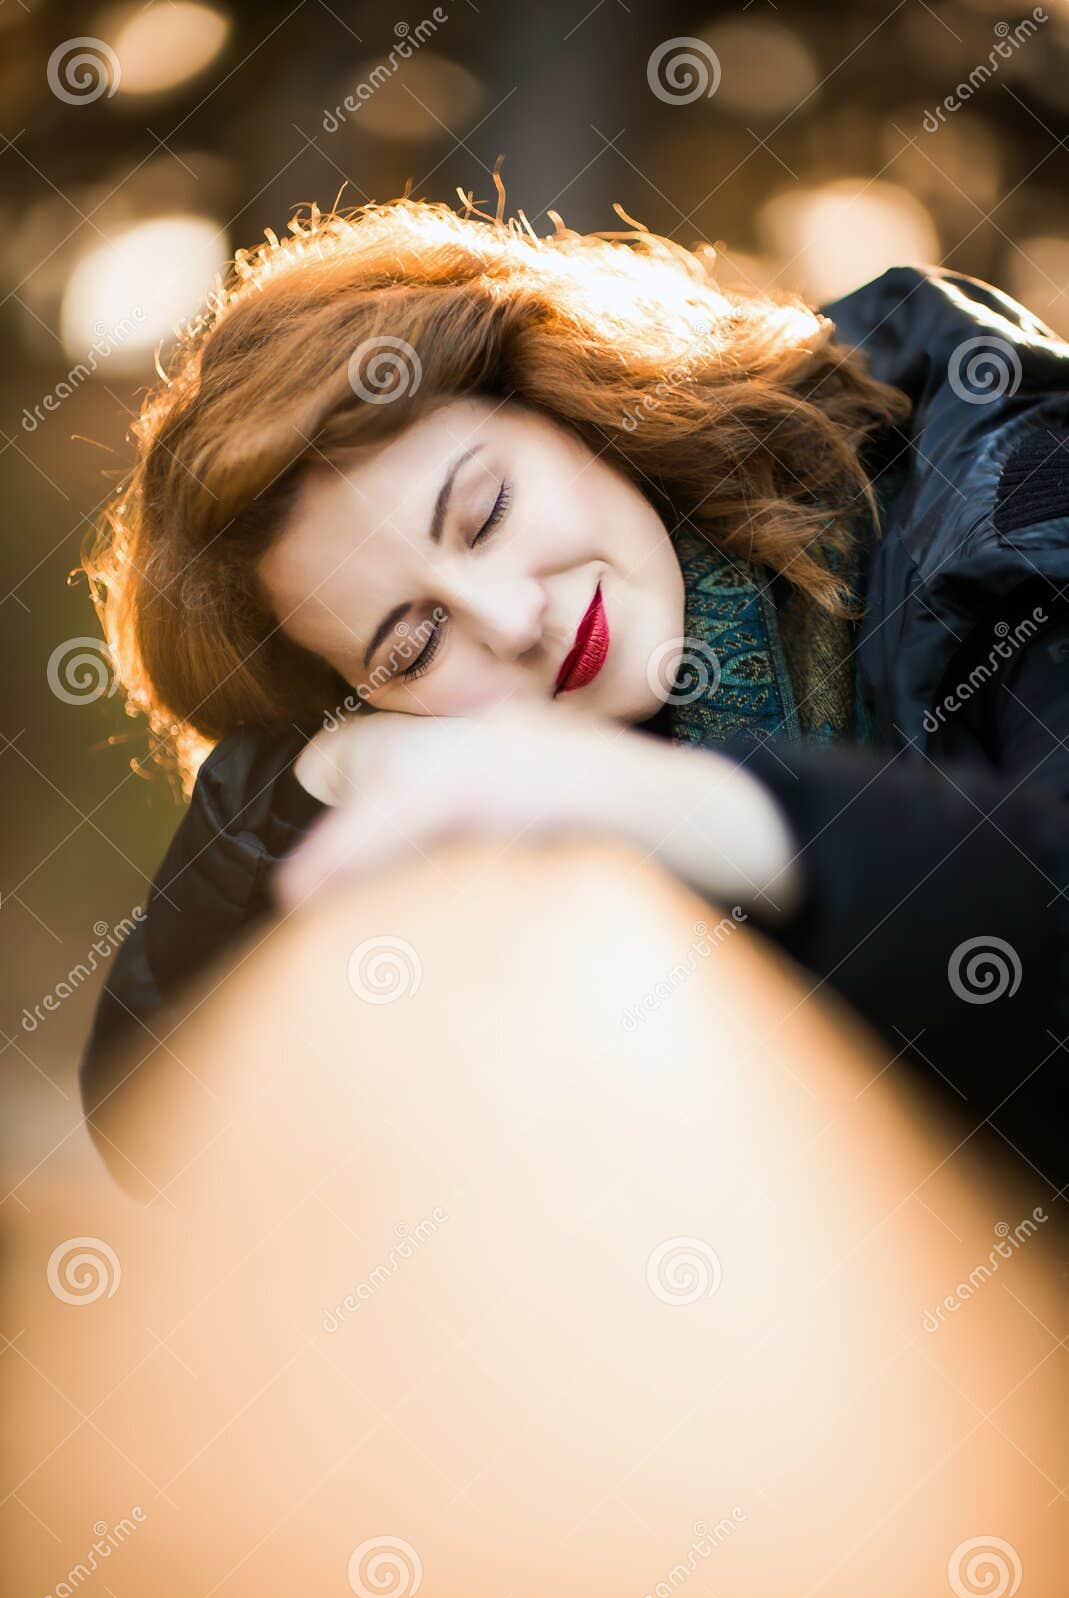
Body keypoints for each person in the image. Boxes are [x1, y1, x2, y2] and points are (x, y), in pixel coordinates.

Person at [79, 195, 1069, 1177]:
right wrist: (325, 772)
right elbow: (152, 1113)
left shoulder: (993, 477)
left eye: (487, 511)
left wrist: (687, 809)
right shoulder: (437, 741)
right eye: (413, 645)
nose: (513, 620)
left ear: (561, 394)